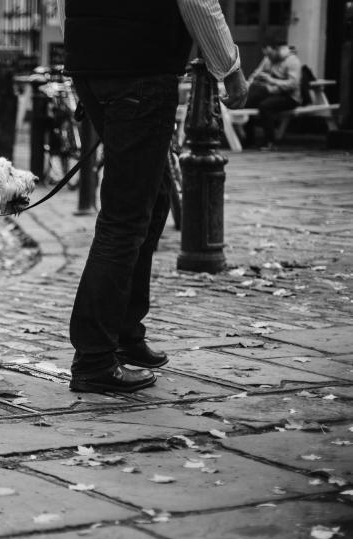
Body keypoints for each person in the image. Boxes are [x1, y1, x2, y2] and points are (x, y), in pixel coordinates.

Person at [61, 0, 248, 393]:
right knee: (125, 217)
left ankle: (124, 331)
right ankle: (94, 358)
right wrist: (230, 68)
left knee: (156, 195)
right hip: (140, 70)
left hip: (95, 65)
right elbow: (198, 2)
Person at [242, 38, 302, 150]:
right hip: (273, 92)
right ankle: (249, 140)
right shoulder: (268, 58)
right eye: (266, 55)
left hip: (290, 97)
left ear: (277, 50)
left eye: (269, 54)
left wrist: (271, 80)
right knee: (248, 102)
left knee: (265, 106)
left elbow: (293, 84)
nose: (268, 58)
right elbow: (257, 73)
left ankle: (270, 142)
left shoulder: (292, 61)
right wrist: (249, 83)